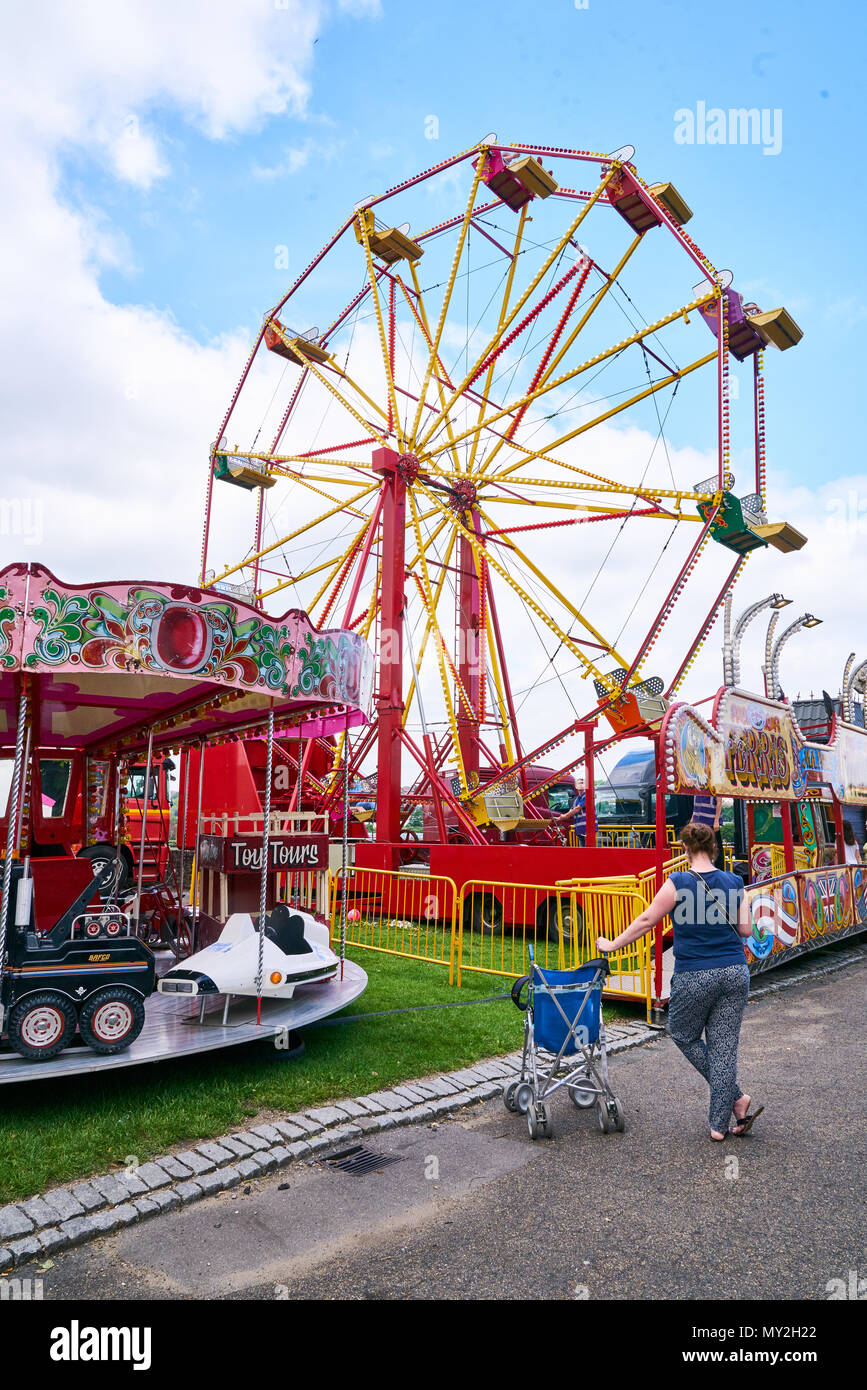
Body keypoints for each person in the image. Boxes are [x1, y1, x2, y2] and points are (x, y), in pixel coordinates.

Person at [595, 820, 763, 1141]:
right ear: (713, 848)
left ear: (685, 848)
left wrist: (612, 944)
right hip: (734, 972)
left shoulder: (679, 882)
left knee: (684, 1035)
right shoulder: (734, 881)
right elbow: (745, 930)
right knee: (724, 1048)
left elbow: (648, 920)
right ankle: (725, 1117)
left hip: (694, 974)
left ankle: (733, 1101)